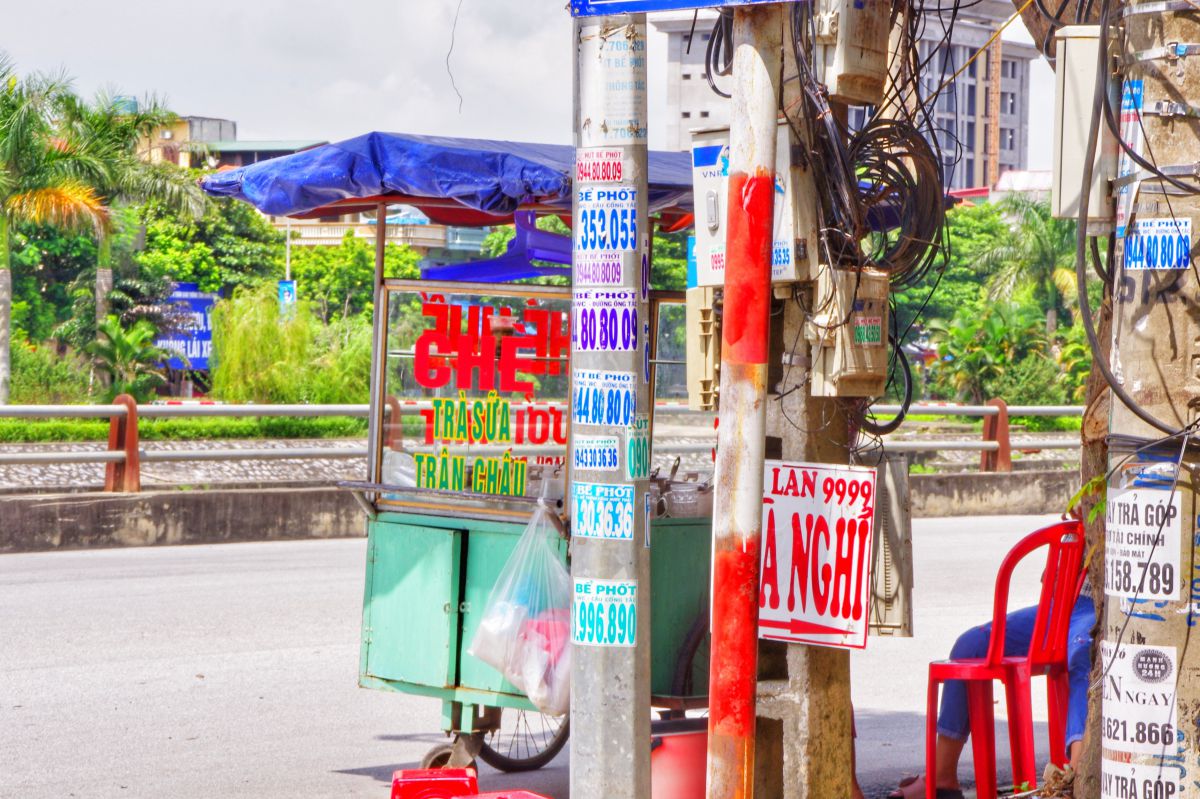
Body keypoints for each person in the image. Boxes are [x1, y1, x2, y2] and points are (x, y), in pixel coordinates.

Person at [887, 590, 1095, 799]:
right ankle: (942, 776)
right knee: (968, 648)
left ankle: (1073, 781)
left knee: (1082, 654)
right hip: (1067, 600)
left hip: (1101, 606)